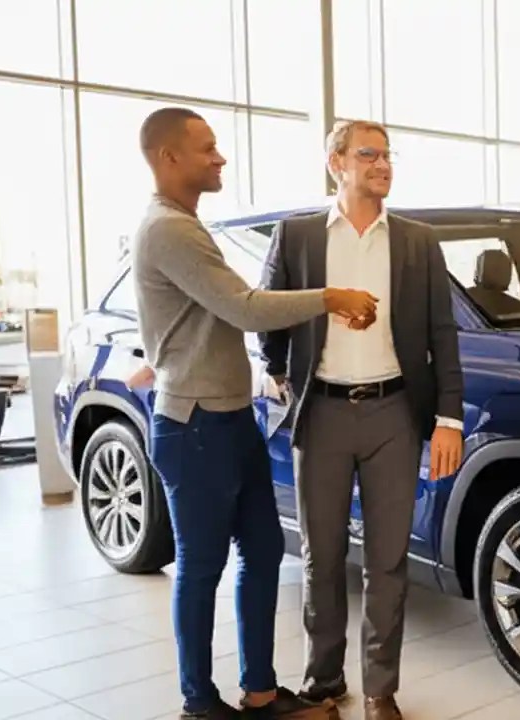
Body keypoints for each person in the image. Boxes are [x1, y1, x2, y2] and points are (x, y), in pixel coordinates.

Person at [132, 106, 378, 719]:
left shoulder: (187, 225)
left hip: (232, 417)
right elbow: (243, 307)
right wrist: (332, 297)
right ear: (168, 157)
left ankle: (261, 692)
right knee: (201, 566)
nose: (220, 157)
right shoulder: (168, 229)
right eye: (207, 148)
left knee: (265, 551)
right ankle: (198, 702)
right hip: (196, 425)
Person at [258, 119, 465, 720]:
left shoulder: (417, 242)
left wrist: (448, 419)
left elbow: (442, 334)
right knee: (321, 557)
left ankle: (380, 689)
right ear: (337, 163)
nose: (383, 164)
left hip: (394, 415)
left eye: (387, 155)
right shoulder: (297, 235)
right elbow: (269, 314)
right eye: (369, 154)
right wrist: (279, 373)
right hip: (321, 413)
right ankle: (323, 680)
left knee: (388, 561)